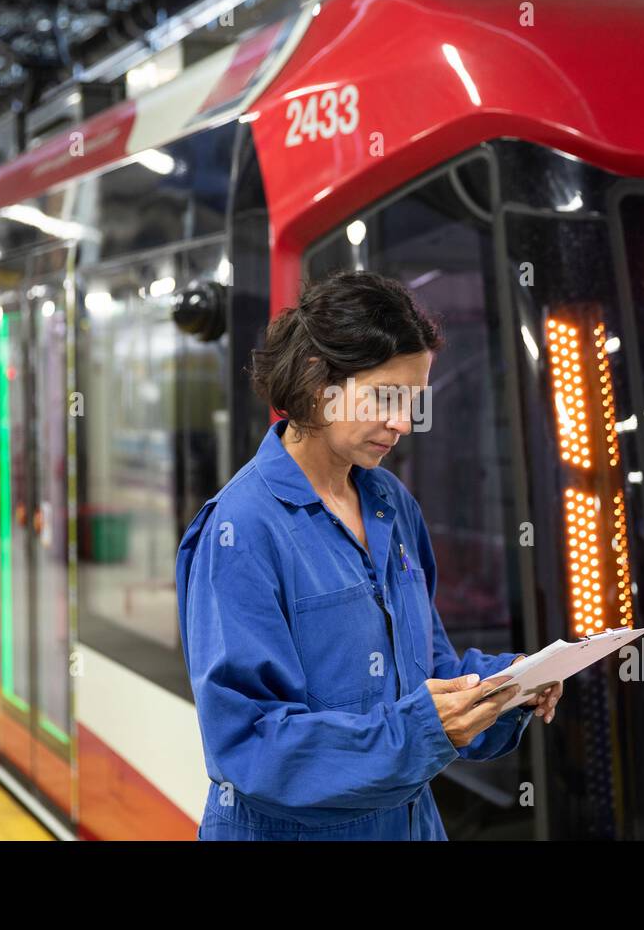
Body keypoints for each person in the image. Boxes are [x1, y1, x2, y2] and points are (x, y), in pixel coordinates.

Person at [175, 269, 563, 840]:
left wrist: (505, 688)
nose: (403, 423)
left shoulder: (390, 505)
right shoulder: (242, 529)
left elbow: (428, 673)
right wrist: (419, 731)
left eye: (412, 402)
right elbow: (249, 743)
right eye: (386, 397)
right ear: (316, 381)